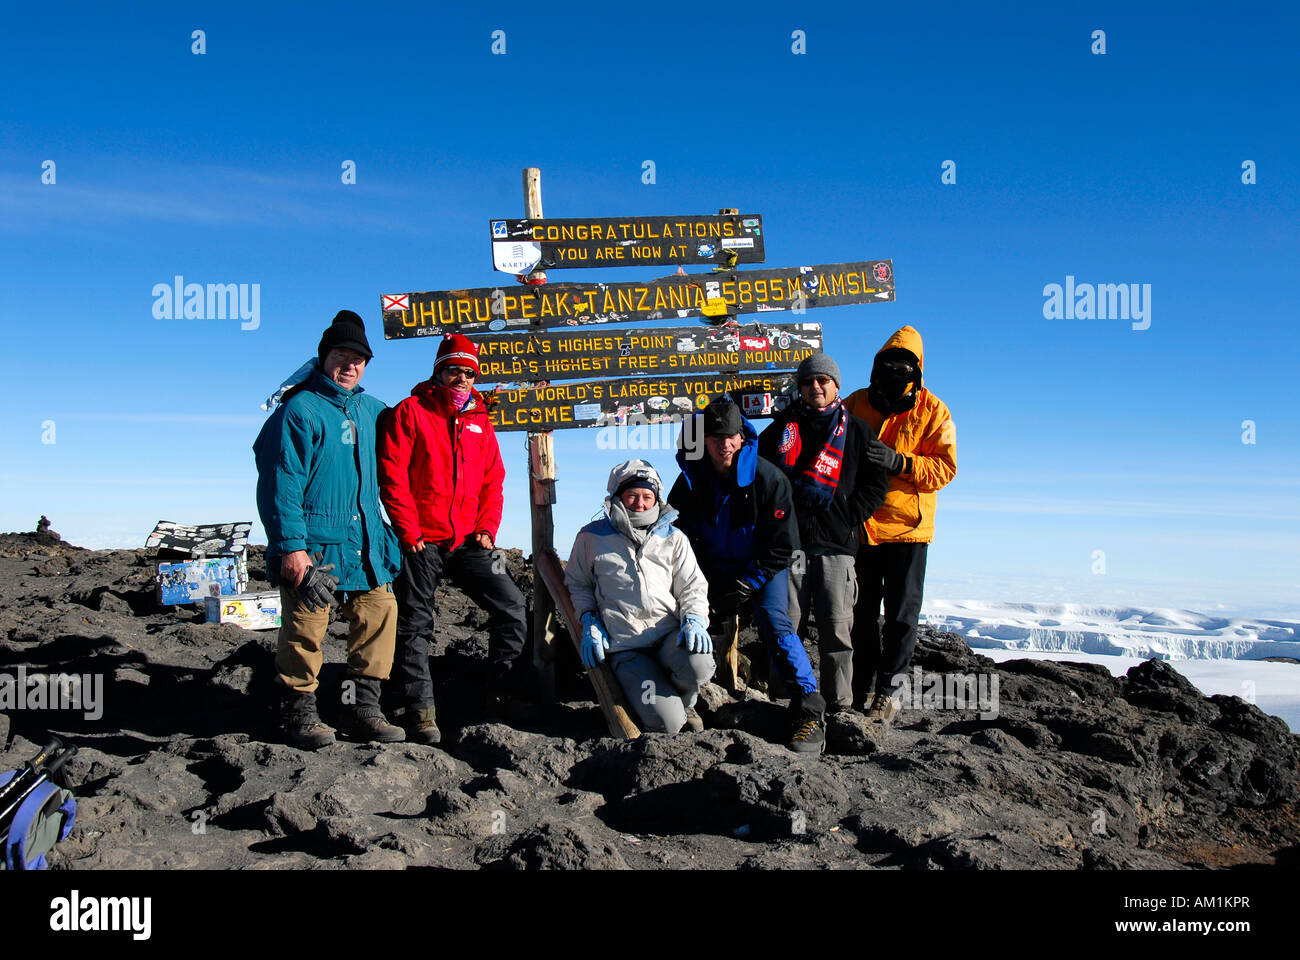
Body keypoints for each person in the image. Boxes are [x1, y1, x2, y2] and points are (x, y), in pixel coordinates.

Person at [253, 310, 405, 749]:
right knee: (305, 629)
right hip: (314, 548)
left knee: (379, 617)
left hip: (368, 546)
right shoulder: (300, 410)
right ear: (323, 357)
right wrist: (290, 550)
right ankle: (298, 714)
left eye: (359, 358)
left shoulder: (373, 411)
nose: (350, 365)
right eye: (342, 355)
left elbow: (414, 429)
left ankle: (363, 711)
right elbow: (280, 483)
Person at [377, 334, 528, 744]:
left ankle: (497, 694)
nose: (461, 377)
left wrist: (486, 528)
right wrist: (408, 530)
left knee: (513, 608)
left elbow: (493, 478)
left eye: (467, 371)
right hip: (421, 540)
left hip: (470, 541)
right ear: (438, 372)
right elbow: (393, 476)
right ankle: (420, 711)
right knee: (415, 624)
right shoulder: (411, 412)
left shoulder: (480, 419)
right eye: (453, 370)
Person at [668, 398, 828, 754]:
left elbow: (782, 546)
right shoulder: (691, 482)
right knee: (685, 618)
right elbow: (673, 533)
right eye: (714, 437)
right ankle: (686, 699)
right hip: (711, 570)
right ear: (703, 441)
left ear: (742, 437)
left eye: (730, 436)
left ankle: (810, 710)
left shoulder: (769, 479)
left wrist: (747, 583)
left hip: (762, 569)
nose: (723, 444)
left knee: (774, 621)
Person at [758, 353, 890, 714]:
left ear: (836, 386)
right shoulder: (783, 428)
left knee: (837, 629)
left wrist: (849, 516)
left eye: (823, 380)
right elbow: (762, 476)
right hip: (791, 547)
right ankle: (785, 700)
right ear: (799, 387)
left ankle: (838, 704)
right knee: (787, 628)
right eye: (808, 381)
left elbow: (876, 484)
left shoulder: (857, 430)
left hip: (837, 546)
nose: (815, 387)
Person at [844, 326, 957, 723]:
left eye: (905, 365)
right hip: (863, 526)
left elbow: (945, 467)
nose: (897, 371)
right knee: (859, 614)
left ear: (918, 370)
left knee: (902, 616)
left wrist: (901, 462)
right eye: (889, 363)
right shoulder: (856, 402)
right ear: (876, 365)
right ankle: (858, 690)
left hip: (910, 530)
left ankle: (889, 693)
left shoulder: (933, 410)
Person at [565, 460, 714, 735]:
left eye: (648, 496)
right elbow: (577, 583)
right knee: (668, 726)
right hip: (627, 646)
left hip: (669, 635)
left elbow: (692, 585)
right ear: (617, 496)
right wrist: (589, 619)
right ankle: (657, 703)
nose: (640, 503)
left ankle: (685, 703)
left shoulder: (673, 537)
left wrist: (693, 619)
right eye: (632, 495)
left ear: (657, 498)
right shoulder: (592, 537)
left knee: (700, 664)